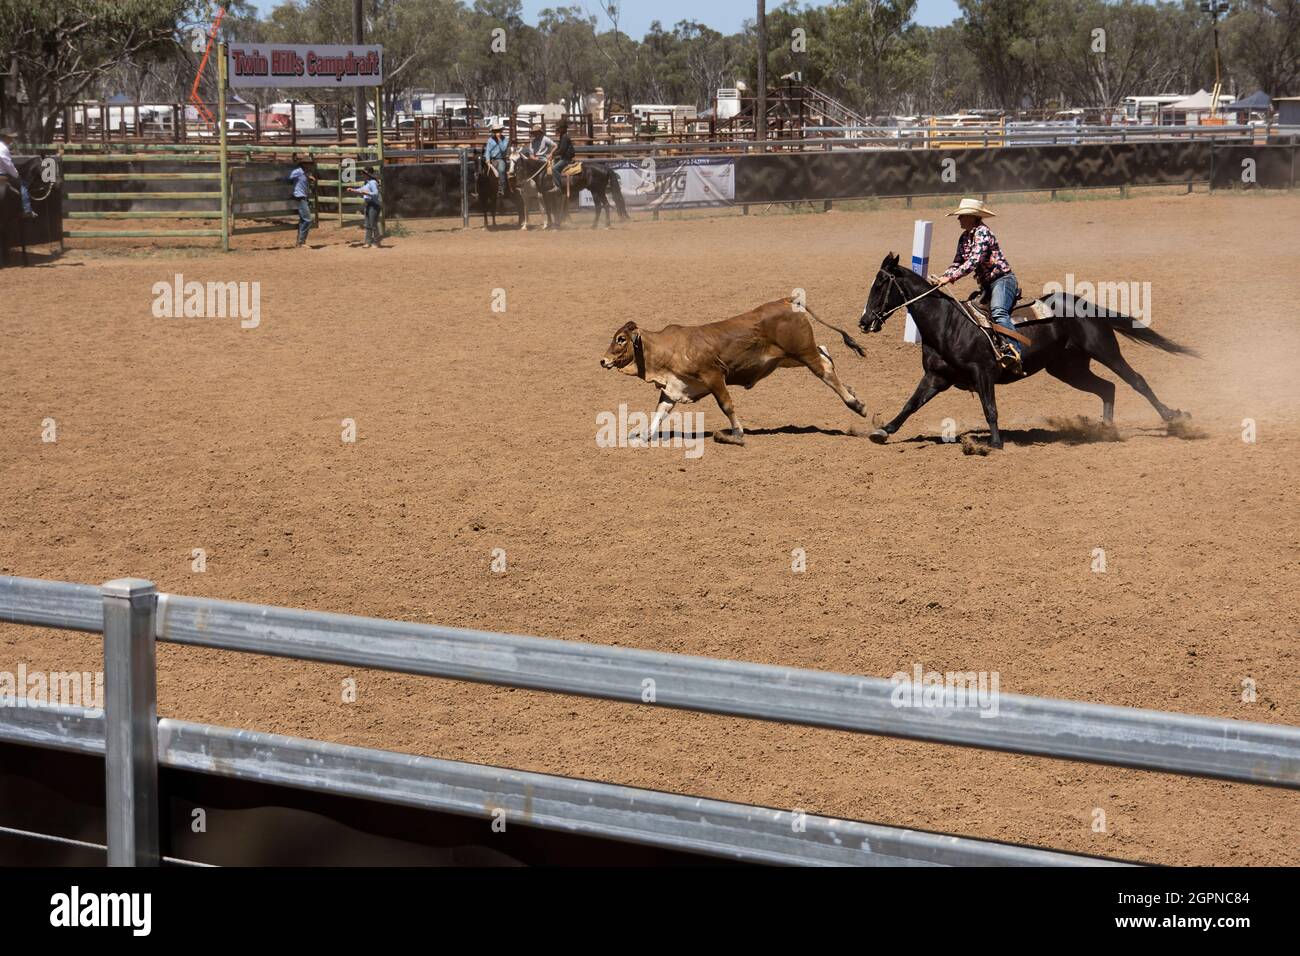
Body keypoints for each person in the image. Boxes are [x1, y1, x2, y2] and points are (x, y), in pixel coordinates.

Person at [930, 197, 1023, 374]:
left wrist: (949, 279)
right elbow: (957, 262)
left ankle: (1015, 352)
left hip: (1002, 280)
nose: (959, 219)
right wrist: (943, 277)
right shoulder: (964, 238)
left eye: (962, 215)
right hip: (987, 285)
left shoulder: (982, 233)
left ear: (972, 217)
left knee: (998, 311)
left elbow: (973, 261)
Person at [0, 128, 38, 219]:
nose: (12, 140)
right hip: (2, 175)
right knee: (23, 185)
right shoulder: (3, 149)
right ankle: (27, 210)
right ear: (5, 138)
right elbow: (8, 165)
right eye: (10, 138)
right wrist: (17, 175)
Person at [347, 169, 382, 248]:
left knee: (373, 224)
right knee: (367, 224)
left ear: (369, 174)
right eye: (363, 174)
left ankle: (377, 242)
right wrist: (353, 190)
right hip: (368, 204)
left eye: (364, 174)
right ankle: (368, 242)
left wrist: (366, 193)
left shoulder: (372, 182)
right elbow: (361, 190)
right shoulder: (367, 182)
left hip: (374, 205)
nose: (363, 175)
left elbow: (375, 194)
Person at [286, 154, 316, 247]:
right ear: (303, 164)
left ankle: (300, 242)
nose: (308, 165)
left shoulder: (307, 173)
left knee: (304, 220)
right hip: (300, 197)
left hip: (304, 197)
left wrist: (310, 180)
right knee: (307, 219)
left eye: (309, 164)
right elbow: (289, 178)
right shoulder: (298, 172)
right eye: (306, 163)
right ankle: (301, 242)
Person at [485, 123, 510, 197]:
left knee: (501, 170)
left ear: (501, 131)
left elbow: (503, 149)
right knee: (485, 171)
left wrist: (499, 140)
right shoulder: (490, 140)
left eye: (498, 131)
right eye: (496, 131)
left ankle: (501, 189)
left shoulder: (505, 140)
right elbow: (488, 150)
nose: (497, 133)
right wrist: (487, 159)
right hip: (492, 159)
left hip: (500, 159)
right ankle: (486, 188)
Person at [552, 119, 575, 191]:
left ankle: (558, 187)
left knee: (554, 168)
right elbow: (560, 148)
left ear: (563, 128)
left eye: (559, 128)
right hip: (564, 157)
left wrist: (554, 154)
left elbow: (562, 150)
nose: (558, 130)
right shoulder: (563, 136)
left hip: (566, 159)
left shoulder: (565, 137)